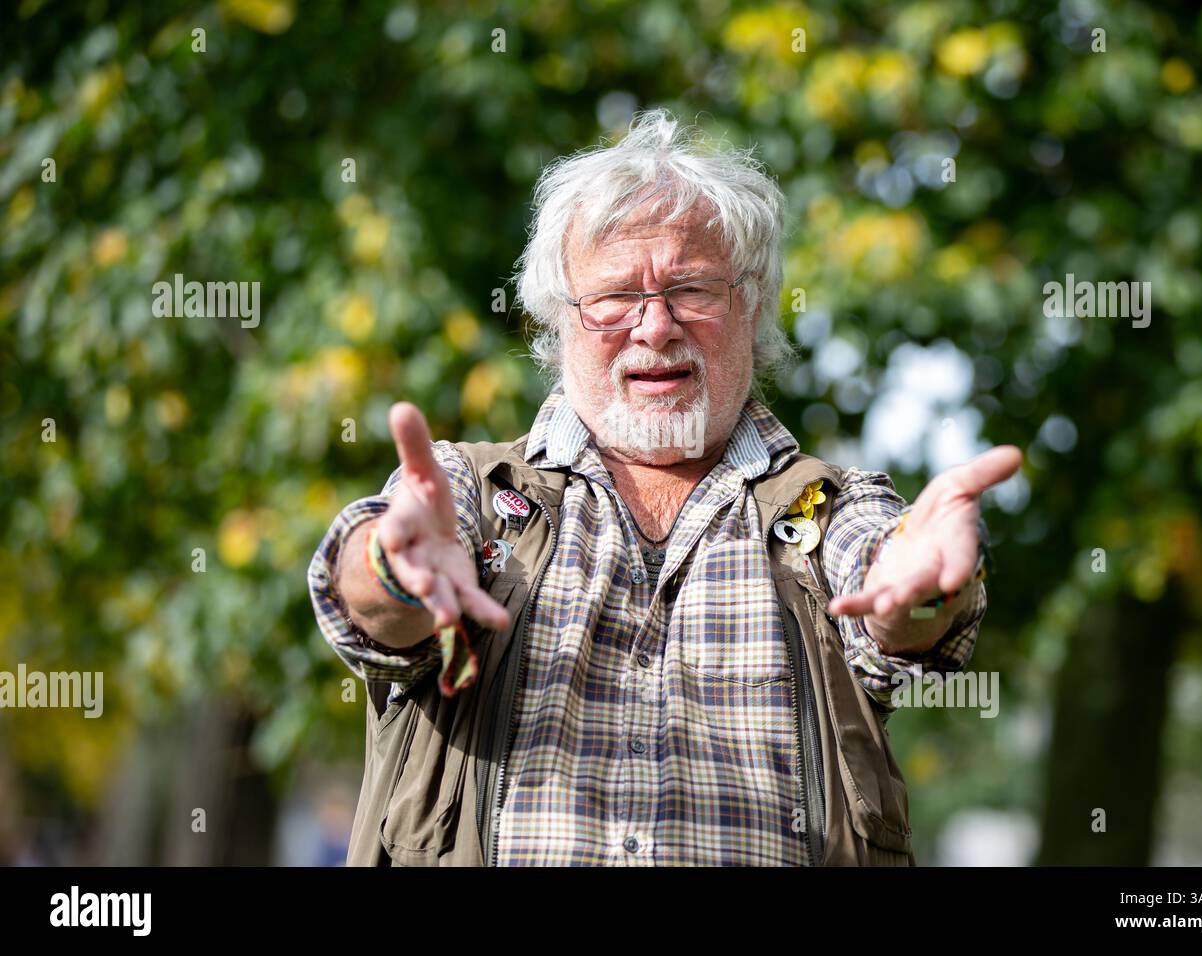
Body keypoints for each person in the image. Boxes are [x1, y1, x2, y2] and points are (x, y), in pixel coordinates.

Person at [308, 109, 1022, 866]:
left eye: (691, 289)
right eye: (615, 296)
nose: (654, 327)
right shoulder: (470, 492)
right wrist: (393, 568)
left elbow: (891, 590)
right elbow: (373, 608)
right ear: (560, 319)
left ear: (751, 306)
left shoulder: (831, 507)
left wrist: (918, 592)